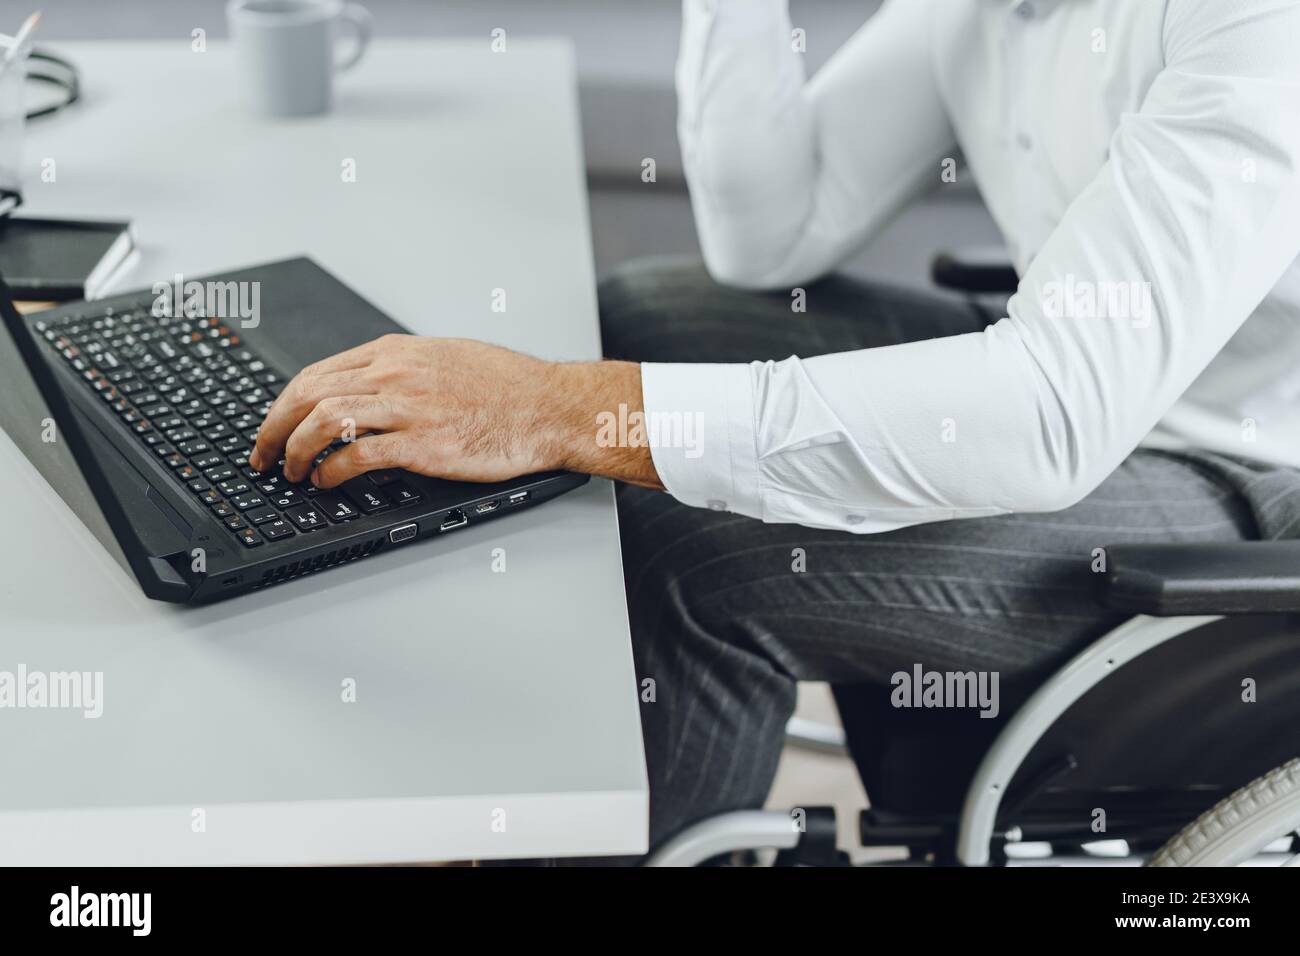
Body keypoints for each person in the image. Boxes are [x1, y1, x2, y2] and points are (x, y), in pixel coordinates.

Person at [250, 0, 1300, 849]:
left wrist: (556, 405)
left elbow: (1050, 412)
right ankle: (514, 760)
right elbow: (771, 237)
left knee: (694, 550)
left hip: (1243, 478)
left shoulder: (1254, 26)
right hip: (1107, 381)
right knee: (640, 311)